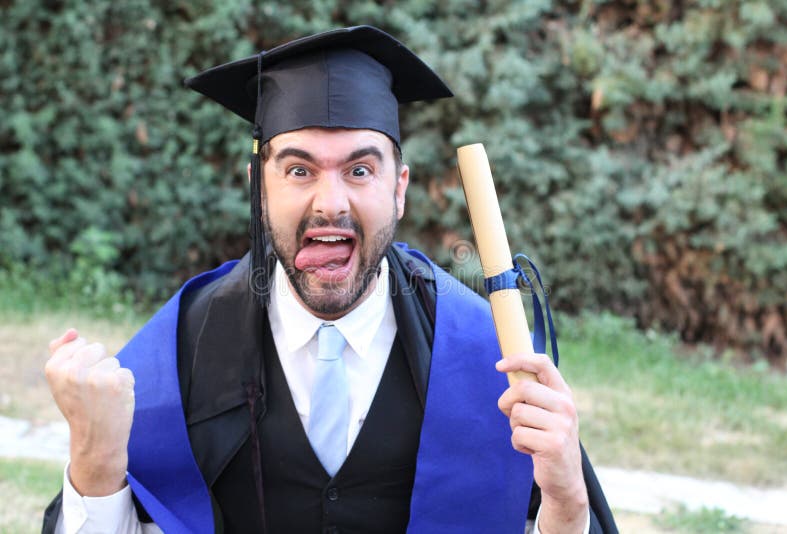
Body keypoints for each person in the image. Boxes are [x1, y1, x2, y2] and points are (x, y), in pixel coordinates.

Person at [42, 26, 617, 533]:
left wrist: (566, 501)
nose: (330, 203)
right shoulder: (181, 349)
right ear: (258, 185)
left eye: (360, 170)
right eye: (298, 170)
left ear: (400, 187)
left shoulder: (484, 352)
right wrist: (95, 463)